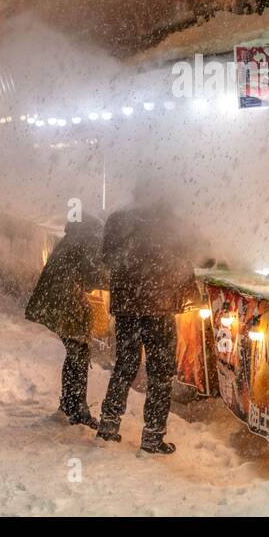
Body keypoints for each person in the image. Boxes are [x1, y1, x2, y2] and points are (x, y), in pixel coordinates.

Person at [96, 193, 198, 454]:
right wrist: (189, 290)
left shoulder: (119, 219)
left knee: (124, 365)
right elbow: (186, 261)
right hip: (160, 308)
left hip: (127, 307)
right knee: (161, 373)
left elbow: (106, 259)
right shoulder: (173, 223)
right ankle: (152, 436)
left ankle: (108, 424)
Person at [24, 213, 106, 427]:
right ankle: (76, 408)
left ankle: (71, 404)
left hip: (56, 297)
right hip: (66, 299)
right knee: (79, 351)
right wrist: (119, 279)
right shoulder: (91, 237)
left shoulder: (75, 235)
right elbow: (92, 274)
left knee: (75, 352)